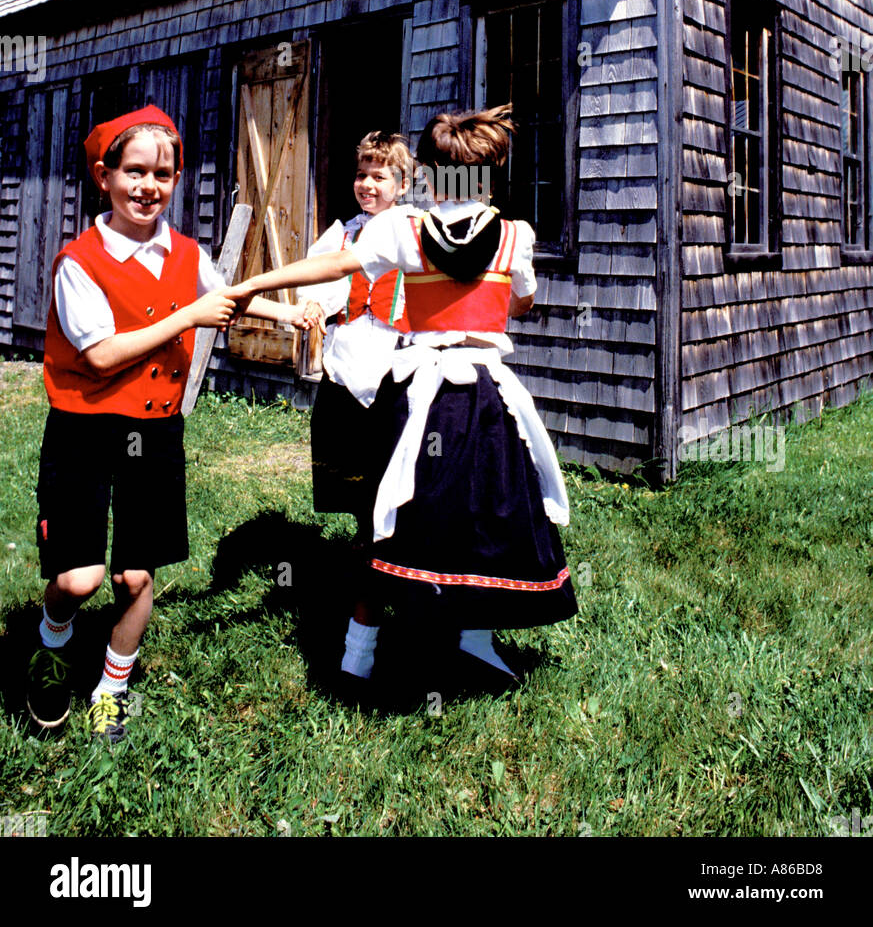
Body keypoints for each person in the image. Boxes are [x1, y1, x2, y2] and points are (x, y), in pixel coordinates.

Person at [230, 104, 576, 694]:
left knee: (391, 520)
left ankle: (361, 655)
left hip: (419, 393)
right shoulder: (516, 236)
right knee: (485, 513)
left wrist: (254, 283)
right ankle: (465, 641)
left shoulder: (402, 230)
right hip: (482, 396)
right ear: (489, 178)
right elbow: (520, 302)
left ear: (431, 179)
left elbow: (331, 265)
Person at [27, 105, 315, 742]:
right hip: (83, 425)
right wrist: (188, 318)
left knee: (135, 574)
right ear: (104, 176)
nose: (147, 187)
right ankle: (50, 643)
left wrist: (282, 314)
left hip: (152, 432)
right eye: (134, 171)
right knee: (80, 577)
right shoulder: (81, 261)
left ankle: (112, 686)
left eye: (163, 174)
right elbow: (101, 355)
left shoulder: (183, 253)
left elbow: (223, 298)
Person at [300, 131, 412, 537]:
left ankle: (392, 533)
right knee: (345, 449)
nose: (367, 184)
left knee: (388, 448)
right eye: (362, 174)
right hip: (348, 351)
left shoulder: (411, 231)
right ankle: (362, 527)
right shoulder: (344, 234)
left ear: (402, 184)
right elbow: (321, 277)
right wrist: (315, 303)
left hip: (391, 353)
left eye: (379, 177)